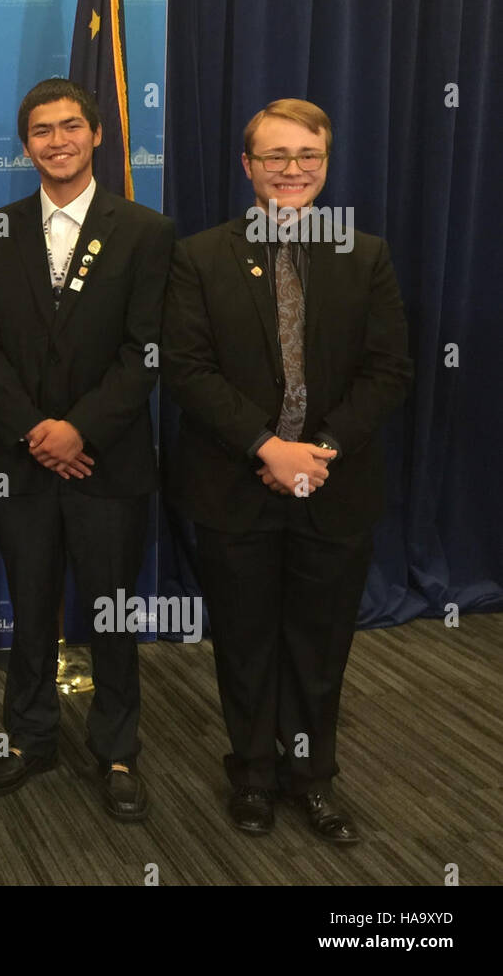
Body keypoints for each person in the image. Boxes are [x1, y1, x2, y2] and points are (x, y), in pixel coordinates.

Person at [162, 99, 412, 843]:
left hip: (334, 488)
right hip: (235, 484)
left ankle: (311, 777)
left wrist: (320, 452)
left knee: (319, 644)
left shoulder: (364, 255)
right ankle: (253, 776)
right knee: (244, 641)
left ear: (325, 165)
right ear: (248, 166)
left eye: (307, 155)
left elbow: (388, 369)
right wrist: (269, 449)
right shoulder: (200, 255)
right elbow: (187, 368)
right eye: (275, 156)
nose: (292, 170)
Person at [0, 79, 173, 820]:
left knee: (111, 611)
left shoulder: (146, 231)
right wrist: (34, 432)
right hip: (21, 462)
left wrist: (79, 428)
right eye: (42, 131)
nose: (57, 141)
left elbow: (146, 350)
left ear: (97, 135)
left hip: (107, 463)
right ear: (26, 146)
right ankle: (28, 738)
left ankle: (116, 749)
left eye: (70, 127)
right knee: (29, 606)